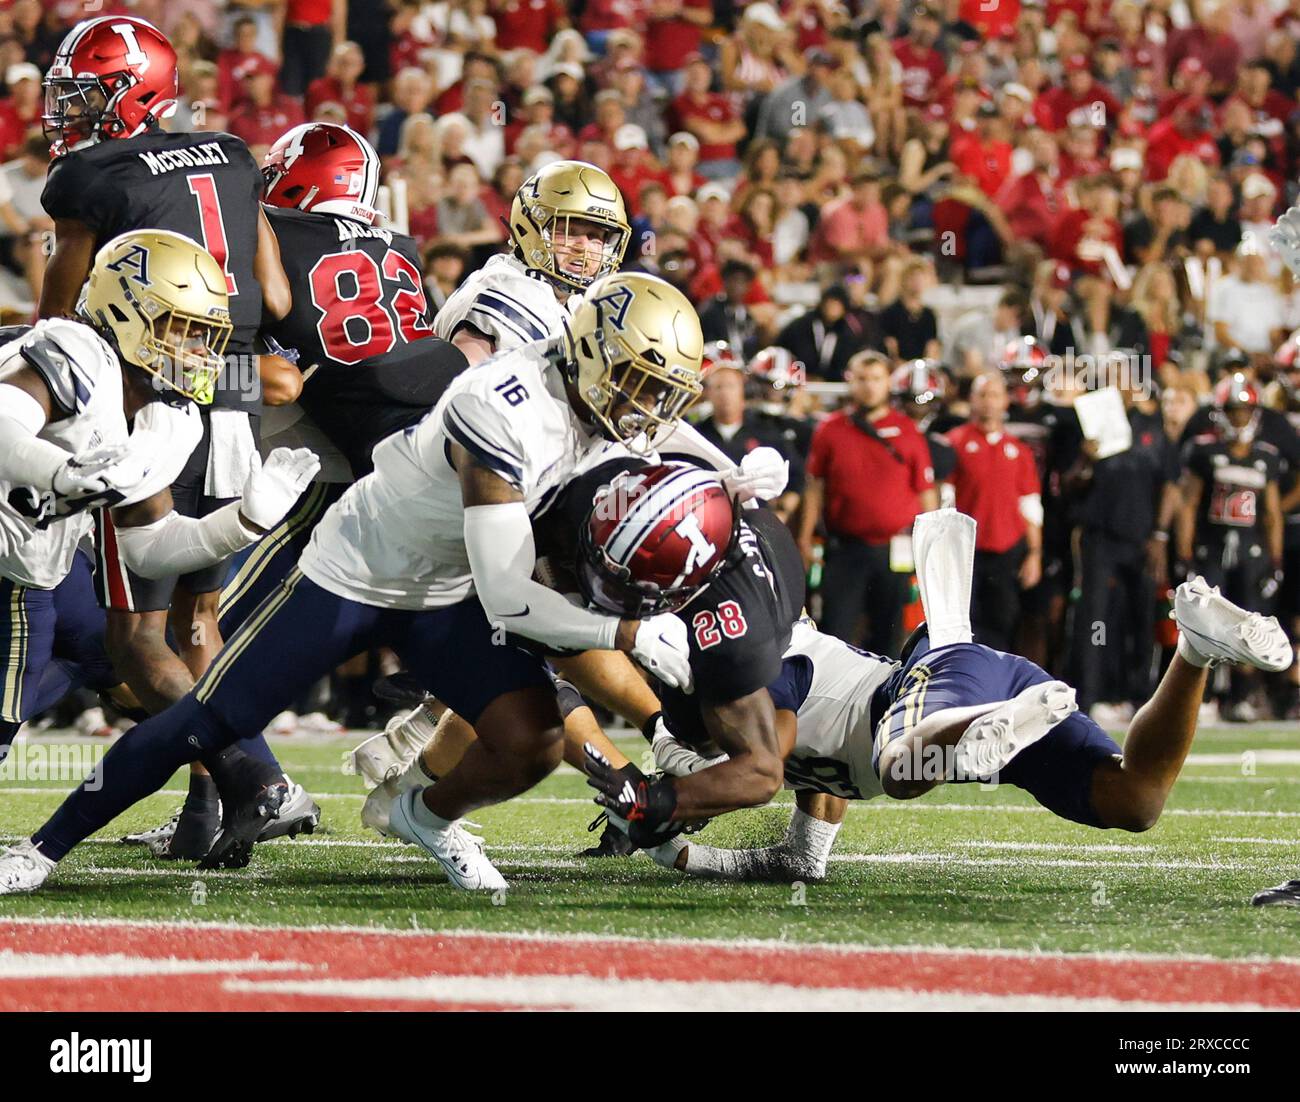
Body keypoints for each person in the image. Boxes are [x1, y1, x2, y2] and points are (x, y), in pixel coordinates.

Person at [0, 271, 708, 896]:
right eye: (639, 384)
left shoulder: (588, 385)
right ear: (589, 356)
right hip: (358, 572)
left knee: (532, 738)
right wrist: (626, 632)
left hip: (443, 587)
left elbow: (663, 443)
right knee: (206, 723)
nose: (646, 406)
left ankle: (423, 816)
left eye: (661, 391)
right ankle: (40, 849)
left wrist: (730, 478)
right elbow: (508, 598)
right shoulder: (507, 407)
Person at [634, 509, 1292, 881]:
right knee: (1135, 798)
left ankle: (976, 732)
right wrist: (689, 852)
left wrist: (669, 796)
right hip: (965, 698)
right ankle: (1195, 650)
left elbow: (761, 764)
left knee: (900, 770)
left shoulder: (771, 672)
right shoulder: (791, 698)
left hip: (942, 682)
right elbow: (803, 857)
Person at [37, 15, 307, 859]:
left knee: (135, 637)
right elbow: (275, 296)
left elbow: (57, 316)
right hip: (235, 394)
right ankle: (208, 812)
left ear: (132, 92)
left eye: (85, 96)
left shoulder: (88, 175)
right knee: (199, 623)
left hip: (155, 399)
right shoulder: (230, 152)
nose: (69, 113)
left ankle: (257, 777)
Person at [0, 230, 317, 777]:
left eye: (205, 335)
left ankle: (247, 782)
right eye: (183, 329)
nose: (196, 351)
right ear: (126, 313)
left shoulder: (169, 415)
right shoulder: (79, 354)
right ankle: (251, 779)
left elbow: (146, 546)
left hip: (29, 557)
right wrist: (64, 474)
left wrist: (241, 523)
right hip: (15, 558)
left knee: (92, 648)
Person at [799, 350, 937, 655]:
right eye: (862, 378)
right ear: (850, 381)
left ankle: (884, 701)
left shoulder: (909, 431)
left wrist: (931, 546)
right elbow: (815, 487)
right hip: (845, 548)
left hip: (895, 550)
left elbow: (926, 492)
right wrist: (805, 536)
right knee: (835, 633)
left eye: (876, 378)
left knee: (889, 637)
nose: (869, 386)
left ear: (888, 382)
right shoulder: (830, 429)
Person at [1177, 374, 1285, 722]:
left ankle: (1240, 696)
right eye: (1234, 411)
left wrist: (1276, 559)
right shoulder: (1204, 450)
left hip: (1251, 551)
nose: (1239, 418)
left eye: (1245, 411)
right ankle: (1204, 696)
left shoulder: (1265, 456)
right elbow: (1189, 503)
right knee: (1204, 623)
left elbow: (1271, 514)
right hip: (1213, 546)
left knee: (1248, 624)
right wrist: (1184, 553)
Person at [943, 372, 1042, 652]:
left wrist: (1034, 553)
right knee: (963, 623)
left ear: (1006, 402)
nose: (989, 402)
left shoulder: (1019, 451)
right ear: (972, 400)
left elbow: (1030, 505)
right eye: (983, 394)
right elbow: (943, 500)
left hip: (1007, 551)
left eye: (995, 395)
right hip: (965, 553)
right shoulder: (954, 442)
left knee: (1003, 621)